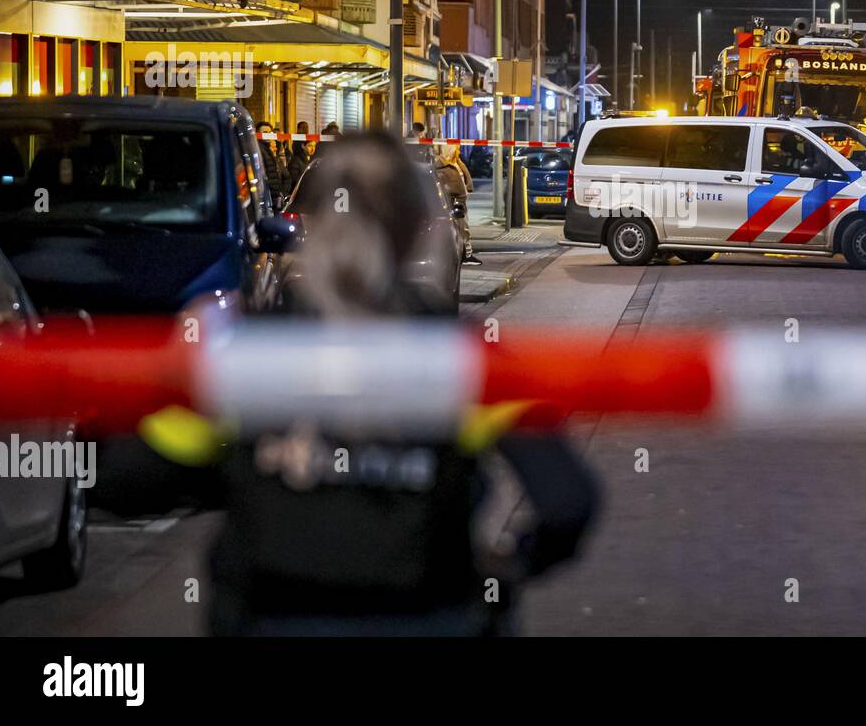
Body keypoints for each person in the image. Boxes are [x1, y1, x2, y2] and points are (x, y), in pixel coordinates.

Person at [209, 132, 598, 635]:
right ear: (418, 232)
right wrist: (508, 566)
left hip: (273, 616)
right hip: (428, 616)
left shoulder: (244, 350)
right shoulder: (466, 357)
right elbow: (568, 502)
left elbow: (135, 473)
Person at [437, 142, 481, 266]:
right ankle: (465, 255)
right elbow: (447, 187)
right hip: (455, 203)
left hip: (461, 202)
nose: (459, 151)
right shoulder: (444, 167)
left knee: (464, 228)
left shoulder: (457, 164)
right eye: (457, 149)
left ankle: (467, 254)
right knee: (461, 228)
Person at [255, 121, 289, 209]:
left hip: (273, 196)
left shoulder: (267, 149)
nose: (268, 135)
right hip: (268, 197)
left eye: (270, 132)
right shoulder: (260, 150)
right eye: (265, 133)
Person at [287, 122, 316, 196]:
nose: (313, 149)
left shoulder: (313, 160)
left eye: (314, 146)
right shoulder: (296, 161)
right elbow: (295, 180)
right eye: (310, 146)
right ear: (303, 146)